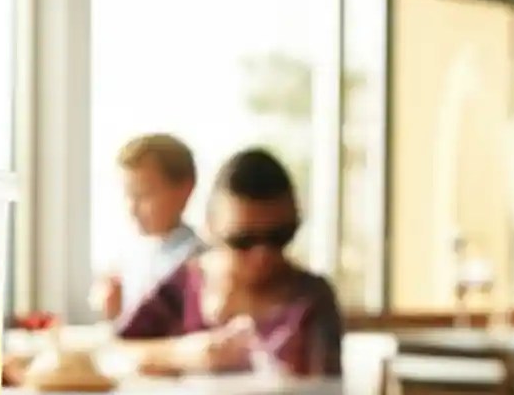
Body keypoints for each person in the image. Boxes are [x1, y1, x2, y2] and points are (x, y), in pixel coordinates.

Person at [116, 147, 342, 377]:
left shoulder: (310, 297)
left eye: (280, 237)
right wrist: (184, 353)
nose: (262, 254)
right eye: (243, 240)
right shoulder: (186, 284)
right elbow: (117, 351)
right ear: (212, 228)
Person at [90, 133, 203, 322]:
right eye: (129, 195)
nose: (133, 208)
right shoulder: (129, 258)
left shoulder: (197, 260)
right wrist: (114, 312)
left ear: (185, 190)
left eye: (144, 195)